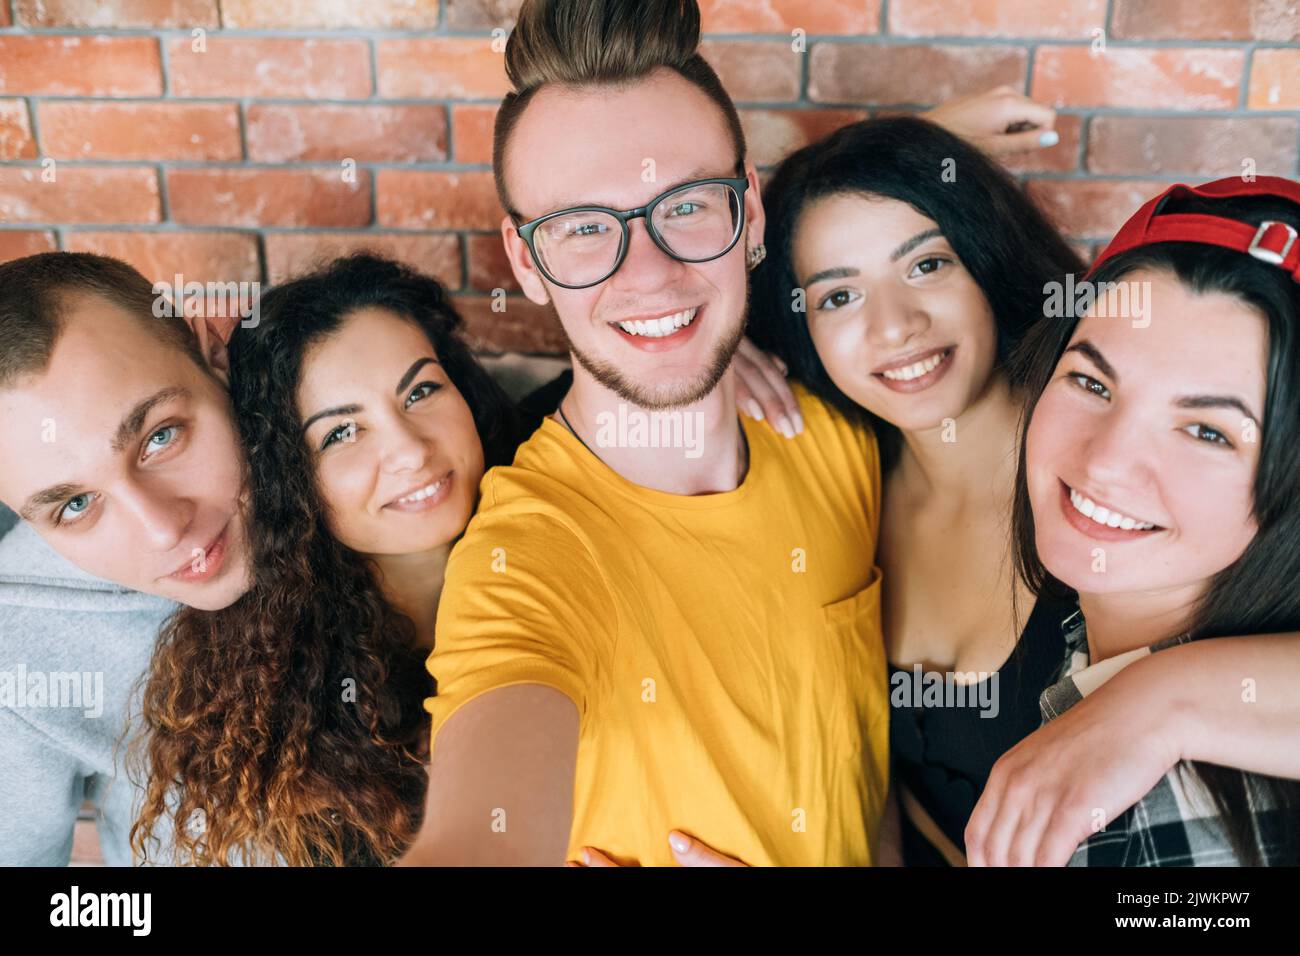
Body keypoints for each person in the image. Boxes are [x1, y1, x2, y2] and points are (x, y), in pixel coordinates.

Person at [130, 254, 527, 866]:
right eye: (341, 432)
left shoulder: (564, 499)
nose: (409, 451)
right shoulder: (282, 706)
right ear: (290, 480)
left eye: (421, 391)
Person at [1007, 177, 1300, 866]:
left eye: (1206, 432)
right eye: (1090, 382)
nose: (1106, 463)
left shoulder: (1173, 812)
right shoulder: (1100, 632)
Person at [0, 251, 252, 864]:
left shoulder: (368, 457)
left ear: (211, 353)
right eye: (77, 505)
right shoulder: (18, 647)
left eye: (160, 437)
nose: (163, 531)